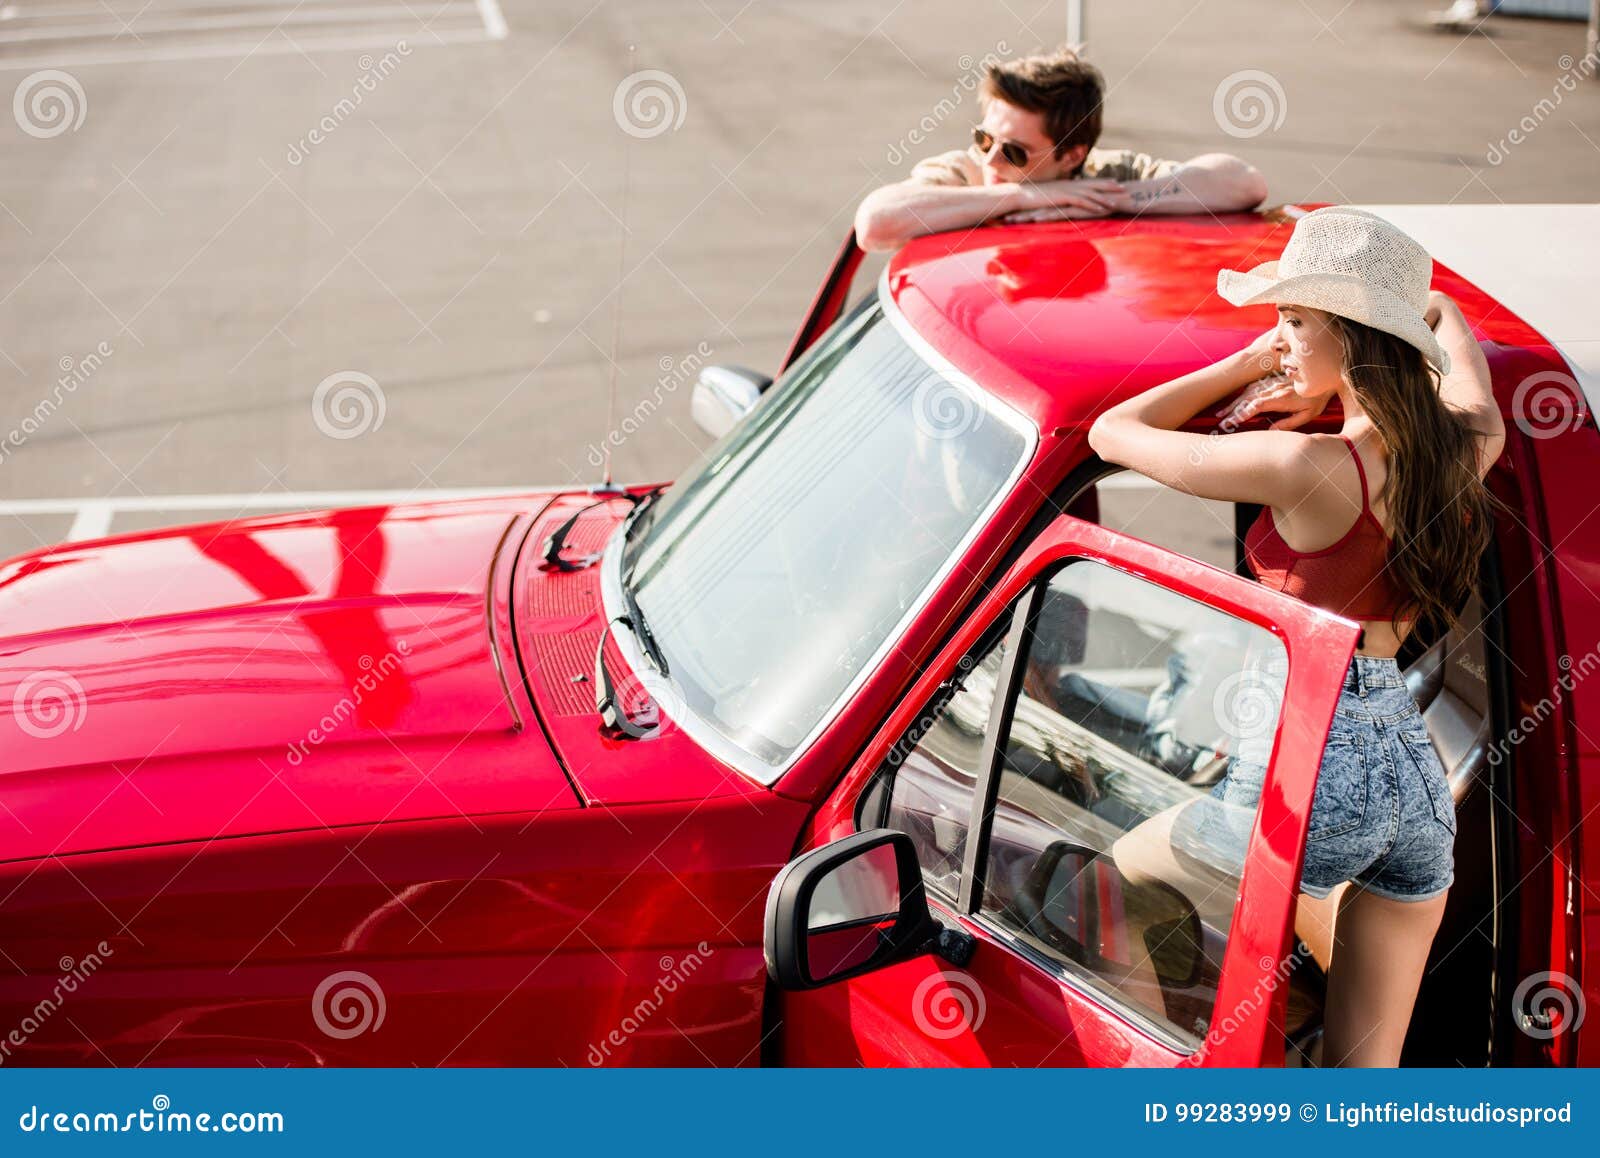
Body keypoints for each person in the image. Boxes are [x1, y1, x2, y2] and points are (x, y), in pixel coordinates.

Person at [1087, 206, 1509, 1066]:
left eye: (1293, 319)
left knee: (1109, 886)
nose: (1277, 339)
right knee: (1365, 1079)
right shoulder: (1460, 448)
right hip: (1410, 773)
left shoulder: (1308, 468)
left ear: (1352, 340)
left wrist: (1240, 365)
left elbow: (1112, 433)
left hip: (1318, 755)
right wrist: (1436, 317)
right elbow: (1473, 391)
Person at [854, 45, 1268, 253]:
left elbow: (1243, 182)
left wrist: (1107, 201)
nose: (990, 159)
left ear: (1072, 155)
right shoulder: (964, 173)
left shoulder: (1107, 174)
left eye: (1014, 152)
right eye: (983, 138)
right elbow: (873, 224)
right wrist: (1021, 195)